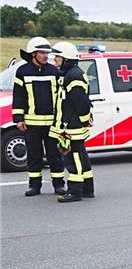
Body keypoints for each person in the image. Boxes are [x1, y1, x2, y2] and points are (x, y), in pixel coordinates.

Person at [12, 37, 65, 197]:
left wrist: (61, 119)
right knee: (34, 156)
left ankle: (59, 185)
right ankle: (34, 186)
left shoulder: (54, 71)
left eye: (47, 53)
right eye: (42, 53)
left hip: (51, 123)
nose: (45, 56)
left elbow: (61, 96)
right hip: (31, 123)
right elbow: (19, 96)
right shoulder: (22, 72)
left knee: (54, 156)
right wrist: (19, 118)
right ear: (33, 53)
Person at [49, 41, 94, 202]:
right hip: (70, 124)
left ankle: (75, 191)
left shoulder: (73, 76)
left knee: (73, 158)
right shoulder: (68, 74)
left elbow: (80, 103)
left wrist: (82, 121)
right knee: (80, 156)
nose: (55, 61)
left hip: (72, 126)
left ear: (67, 59)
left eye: (58, 58)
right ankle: (87, 189)